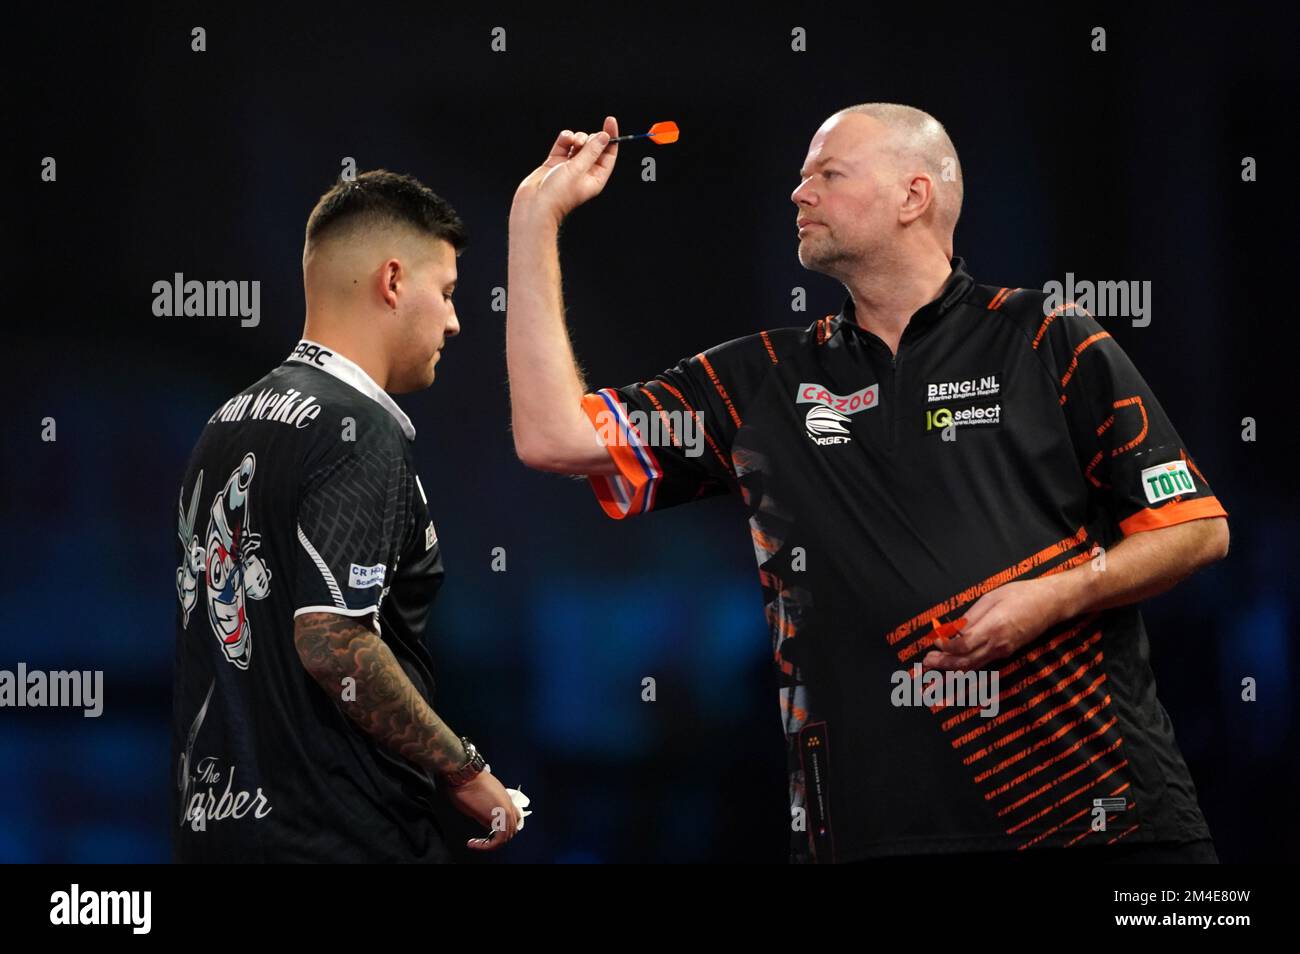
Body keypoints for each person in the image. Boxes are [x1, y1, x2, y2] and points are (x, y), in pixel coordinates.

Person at [505, 106, 1229, 863]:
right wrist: (535, 217)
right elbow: (555, 436)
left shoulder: (1048, 337)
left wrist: (1057, 594)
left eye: (827, 174)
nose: (798, 193)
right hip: (863, 835)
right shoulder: (760, 380)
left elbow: (1196, 528)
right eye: (799, 176)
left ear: (913, 196)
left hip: (1099, 820)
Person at [173, 170, 522, 862]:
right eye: (447, 293)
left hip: (216, 836)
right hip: (341, 840)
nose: (455, 320)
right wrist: (465, 766)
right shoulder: (358, 427)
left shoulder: (222, 425)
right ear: (393, 281)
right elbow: (333, 639)